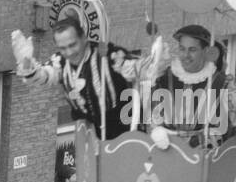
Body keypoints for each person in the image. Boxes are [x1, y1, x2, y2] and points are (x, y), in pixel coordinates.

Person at [13, 17, 166, 140]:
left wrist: (157, 58)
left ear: (84, 38)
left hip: (126, 135)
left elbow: (138, 70)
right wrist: (26, 62)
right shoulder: (61, 62)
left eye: (73, 45)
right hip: (90, 140)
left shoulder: (108, 55)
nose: (69, 52)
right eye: (62, 48)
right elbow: (44, 76)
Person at [147, 23, 236, 142]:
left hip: (205, 156)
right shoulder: (163, 77)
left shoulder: (222, 83)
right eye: (182, 48)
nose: (185, 55)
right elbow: (152, 116)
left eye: (192, 50)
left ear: (205, 51)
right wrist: (157, 129)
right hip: (167, 153)